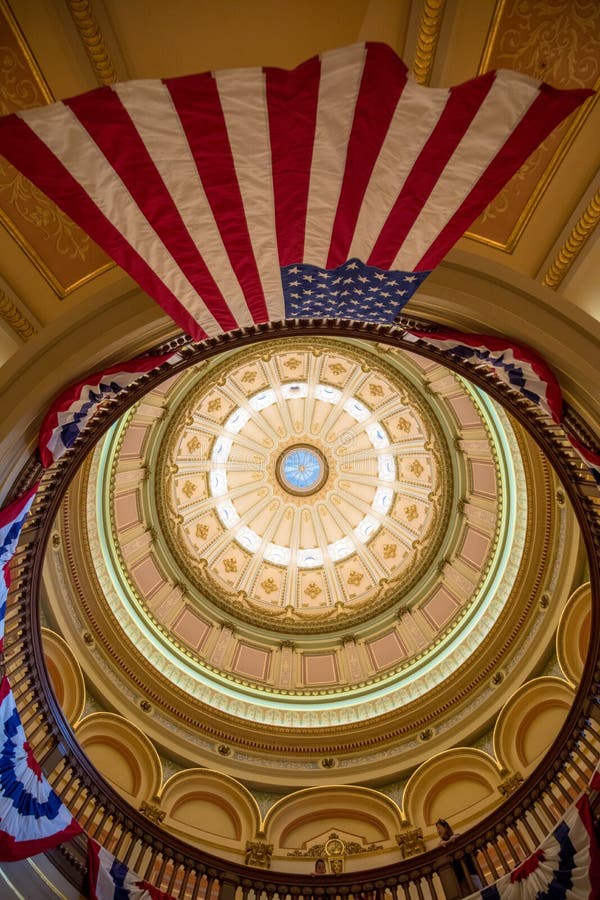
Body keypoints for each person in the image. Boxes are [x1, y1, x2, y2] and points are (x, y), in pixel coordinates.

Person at [436, 819, 483, 894]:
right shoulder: (441, 845)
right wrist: (444, 843)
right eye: (437, 829)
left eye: (439, 828)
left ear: (446, 828)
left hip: (470, 873)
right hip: (459, 879)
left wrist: (450, 841)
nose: (438, 831)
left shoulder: (457, 837)